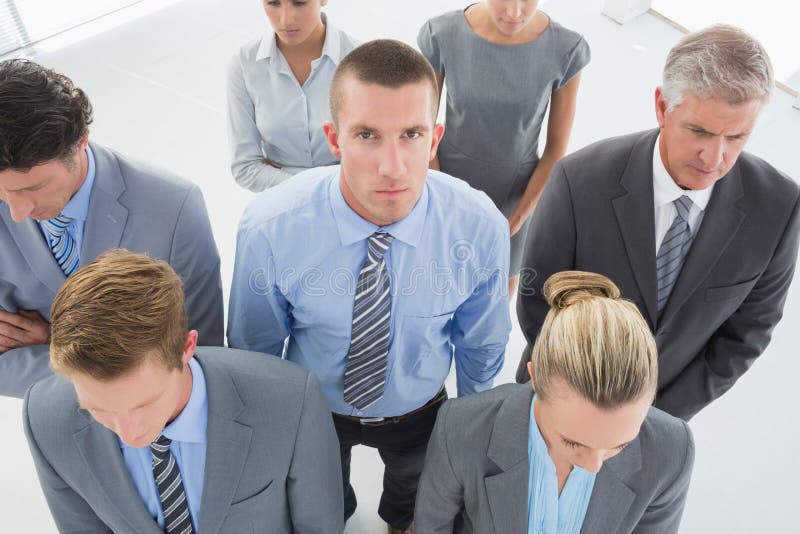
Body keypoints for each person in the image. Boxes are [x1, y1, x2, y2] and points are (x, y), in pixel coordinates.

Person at [228, 40, 511, 534]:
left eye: (411, 134)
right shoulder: (271, 228)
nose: (392, 166)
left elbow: (480, 344)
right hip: (313, 409)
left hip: (421, 409)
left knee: (412, 508)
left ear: (435, 137)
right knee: (320, 514)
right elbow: (256, 349)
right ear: (334, 139)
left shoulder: (478, 225)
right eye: (367, 135)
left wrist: (464, 434)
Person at [515, 24, 800, 420]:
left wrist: (648, 417)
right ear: (663, 107)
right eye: (699, 131)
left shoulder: (780, 208)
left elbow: (747, 334)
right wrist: (588, 405)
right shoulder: (579, 180)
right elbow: (537, 302)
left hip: (656, 423)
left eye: (737, 137)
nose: (714, 157)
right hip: (553, 400)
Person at [24, 250, 343, 533]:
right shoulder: (45, 419)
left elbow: (318, 526)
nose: (129, 434)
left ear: (187, 347)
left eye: (144, 404)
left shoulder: (290, 401)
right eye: (100, 410)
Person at [0, 59, 223, 398]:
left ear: (80, 144)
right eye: (3, 192)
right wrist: (125, 362)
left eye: (34, 188)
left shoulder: (174, 209)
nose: (18, 213)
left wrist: (54, 343)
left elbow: (195, 357)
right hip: (56, 420)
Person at [416, 271, 694, 533]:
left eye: (620, 445)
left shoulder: (672, 451)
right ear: (535, 377)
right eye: (572, 442)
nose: (593, 466)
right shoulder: (460, 430)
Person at [418, 0, 589, 296]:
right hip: (444, 182)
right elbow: (421, 126)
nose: (514, 12)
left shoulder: (567, 49)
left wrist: (517, 220)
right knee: (435, 280)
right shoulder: (442, 34)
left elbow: (556, 149)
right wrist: (441, 196)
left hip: (515, 198)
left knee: (496, 295)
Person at [227, 0, 359, 192]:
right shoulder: (244, 65)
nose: (285, 19)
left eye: (299, 3)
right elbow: (245, 168)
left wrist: (278, 176)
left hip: (351, 199)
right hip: (282, 204)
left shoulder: (359, 60)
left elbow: (373, 155)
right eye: (273, 3)